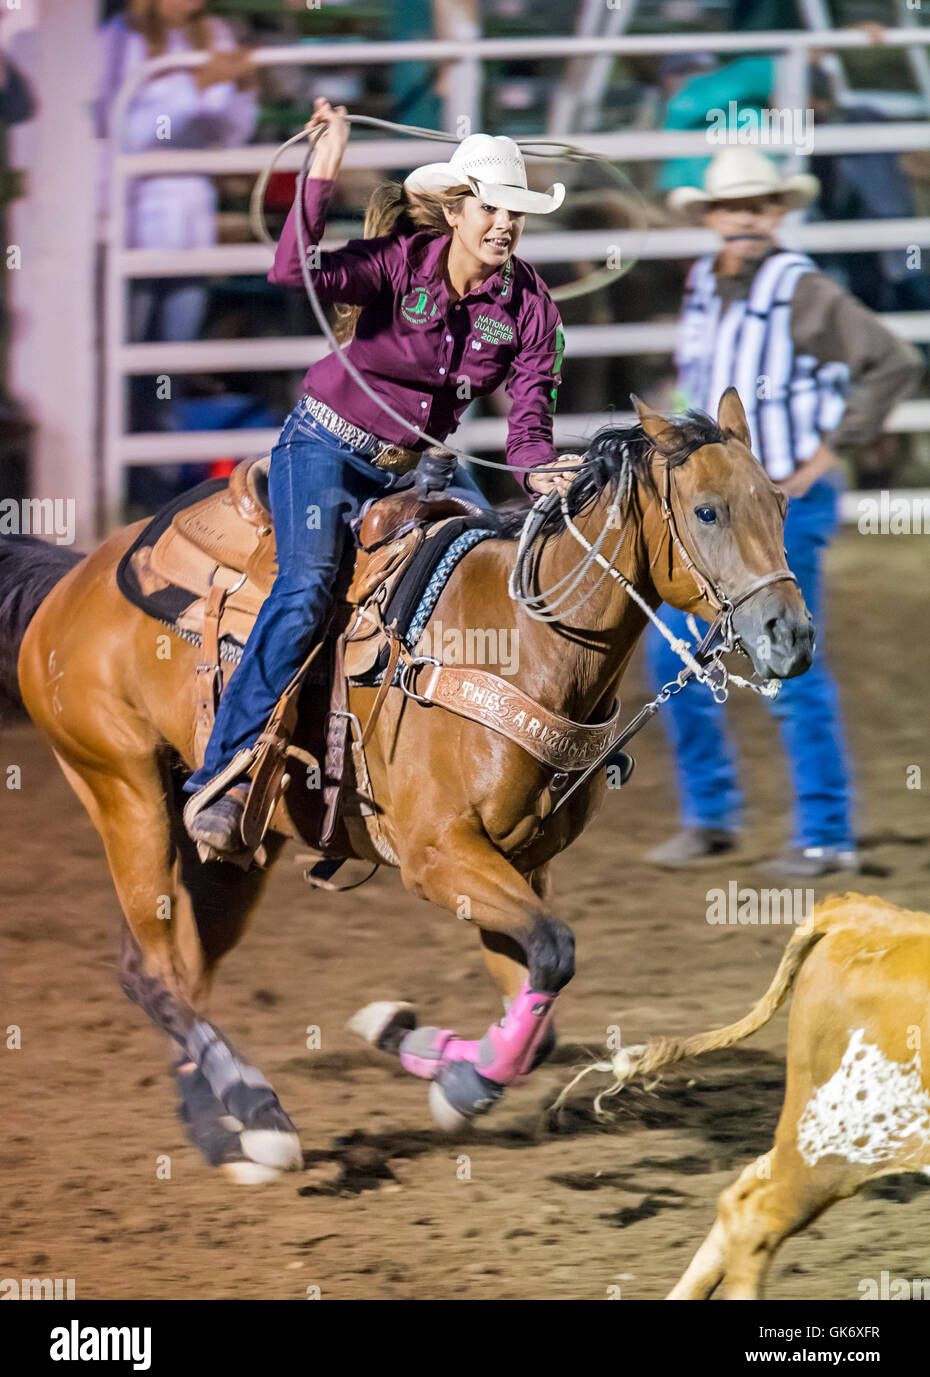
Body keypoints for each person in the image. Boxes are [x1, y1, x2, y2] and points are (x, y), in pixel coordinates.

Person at [185, 99, 578, 854]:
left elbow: (528, 434)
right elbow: (290, 268)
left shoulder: (531, 309)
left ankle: (410, 775)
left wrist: (542, 477)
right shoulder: (400, 265)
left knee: (478, 579)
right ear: (457, 211)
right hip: (325, 447)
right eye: (491, 208)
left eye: (516, 214)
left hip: (419, 470)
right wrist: (326, 161)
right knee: (306, 589)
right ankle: (226, 773)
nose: (503, 225)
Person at [647, 148, 923, 878]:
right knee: (669, 652)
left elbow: (891, 361)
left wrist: (825, 456)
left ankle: (825, 834)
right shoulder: (706, 282)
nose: (744, 217)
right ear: (711, 217)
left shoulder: (803, 292)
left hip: (779, 505)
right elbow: (696, 380)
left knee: (788, 663)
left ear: (778, 214)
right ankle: (711, 816)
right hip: (717, 507)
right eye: (732, 207)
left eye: (758, 205)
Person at [96, 0, 257, 466]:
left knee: (171, 367)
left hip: (189, 228)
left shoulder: (214, 34)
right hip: (132, 226)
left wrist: (241, 87)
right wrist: (198, 85)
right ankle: (121, 480)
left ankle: (159, 486)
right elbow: (123, 135)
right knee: (126, 366)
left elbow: (229, 135)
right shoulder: (117, 40)